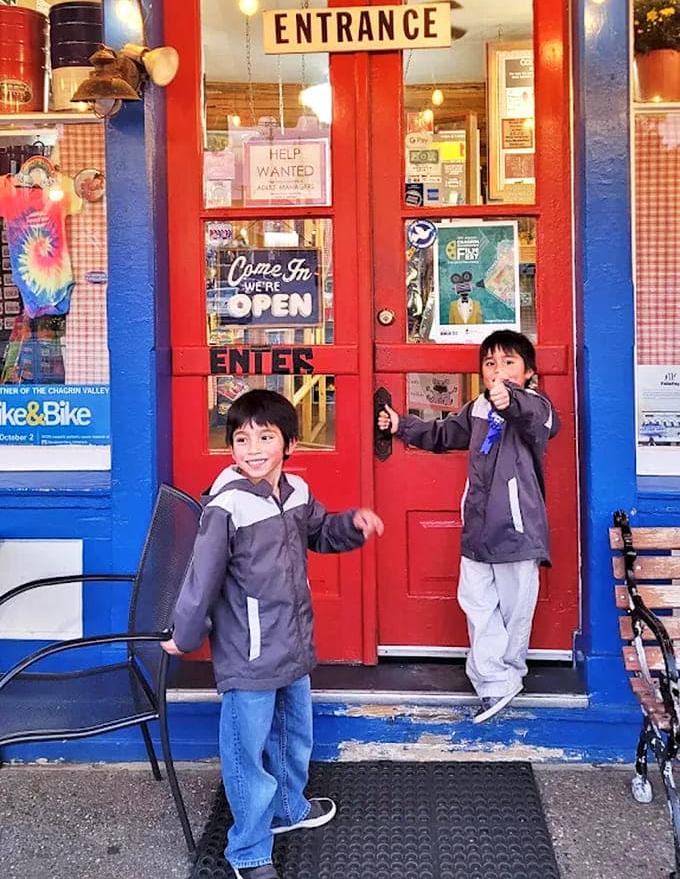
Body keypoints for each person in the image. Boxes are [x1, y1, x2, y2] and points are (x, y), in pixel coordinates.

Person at [162, 388, 383, 879]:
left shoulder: (298, 492)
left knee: (293, 734)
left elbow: (321, 531)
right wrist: (185, 631)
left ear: (291, 445)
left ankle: (289, 806)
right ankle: (249, 850)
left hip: (293, 643)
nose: (253, 448)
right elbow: (202, 578)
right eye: (241, 439)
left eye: (265, 437)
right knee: (246, 751)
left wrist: (353, 524)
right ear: (231, 448)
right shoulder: (228, 505)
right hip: (248, 653)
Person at [378, 328, 559, 725]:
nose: (498, 371)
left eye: (509, 362)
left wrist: (510, 399)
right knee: (476, 603)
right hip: (476, 529)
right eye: (490, 364)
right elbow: (444, 433)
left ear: (529, 372)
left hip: (517, 531)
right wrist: (401, 426)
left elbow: (539, 419)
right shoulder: (478, 408)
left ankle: (507, 675)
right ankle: (493, 678)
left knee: (515, 609)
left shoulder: (536, 406)